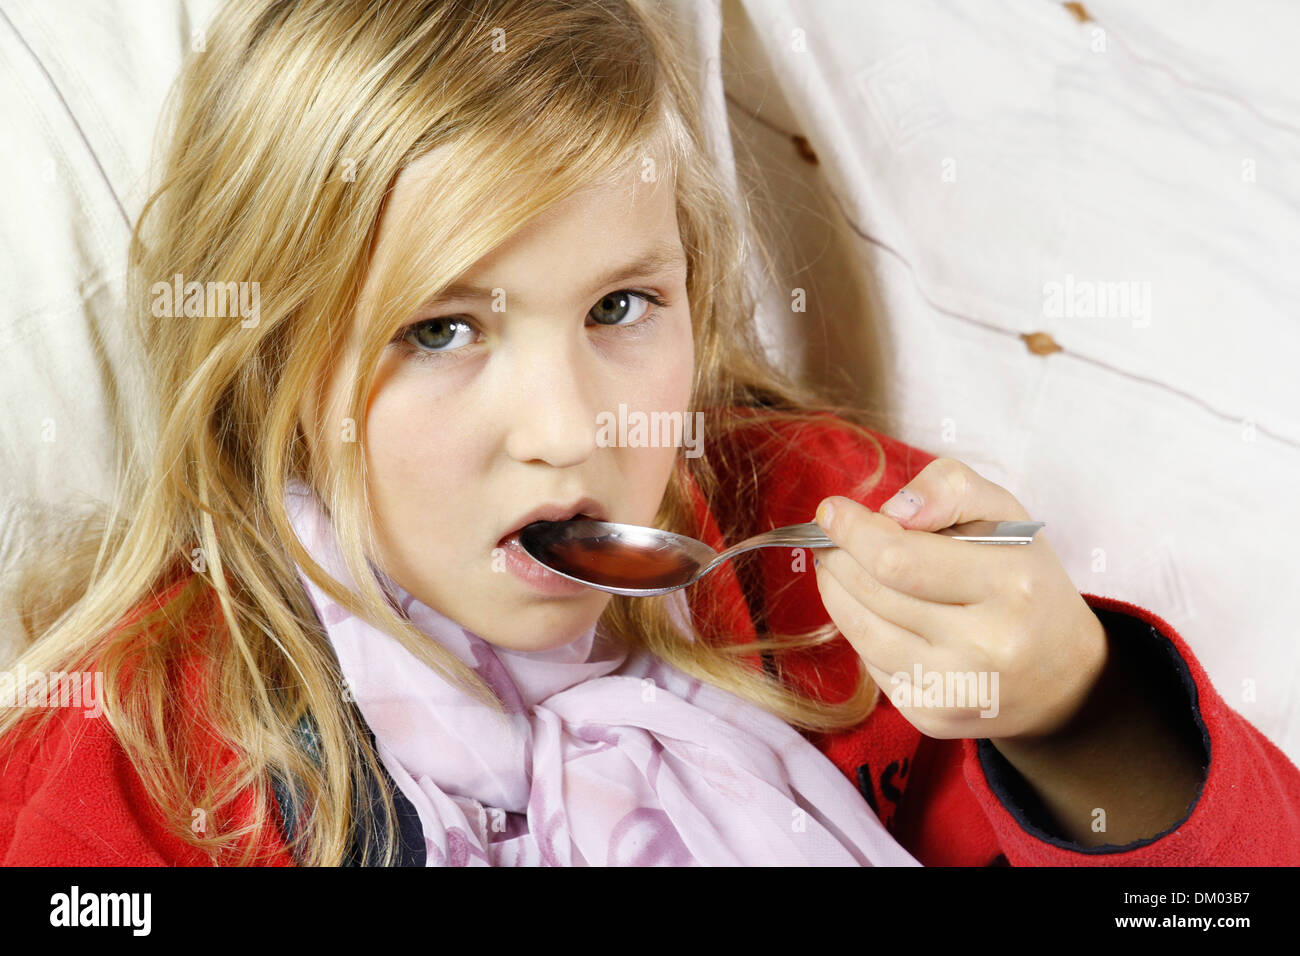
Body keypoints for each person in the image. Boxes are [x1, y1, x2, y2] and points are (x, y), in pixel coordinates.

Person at [2, 0, 1297, 867]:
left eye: (622, 306)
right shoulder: (142, 751)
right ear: (274, 363)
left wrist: (1079, 710)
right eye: (441, 332)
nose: (570, 431)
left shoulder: (813, 549)